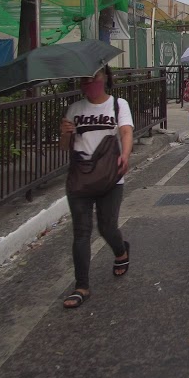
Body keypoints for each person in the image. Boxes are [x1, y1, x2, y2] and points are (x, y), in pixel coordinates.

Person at [58, 66, 133, 309]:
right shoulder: (75, 109)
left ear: (106, 78)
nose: (89, 82)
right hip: (80, 177)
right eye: (84, 78)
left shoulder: (118, 105)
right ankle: (81, 286)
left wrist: (126, 155)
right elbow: (64, 146)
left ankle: (121, 251)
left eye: (94, 77)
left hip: (111, 176)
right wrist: (65, 133)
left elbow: (125, 132)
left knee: (107, 226)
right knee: (81, 231)